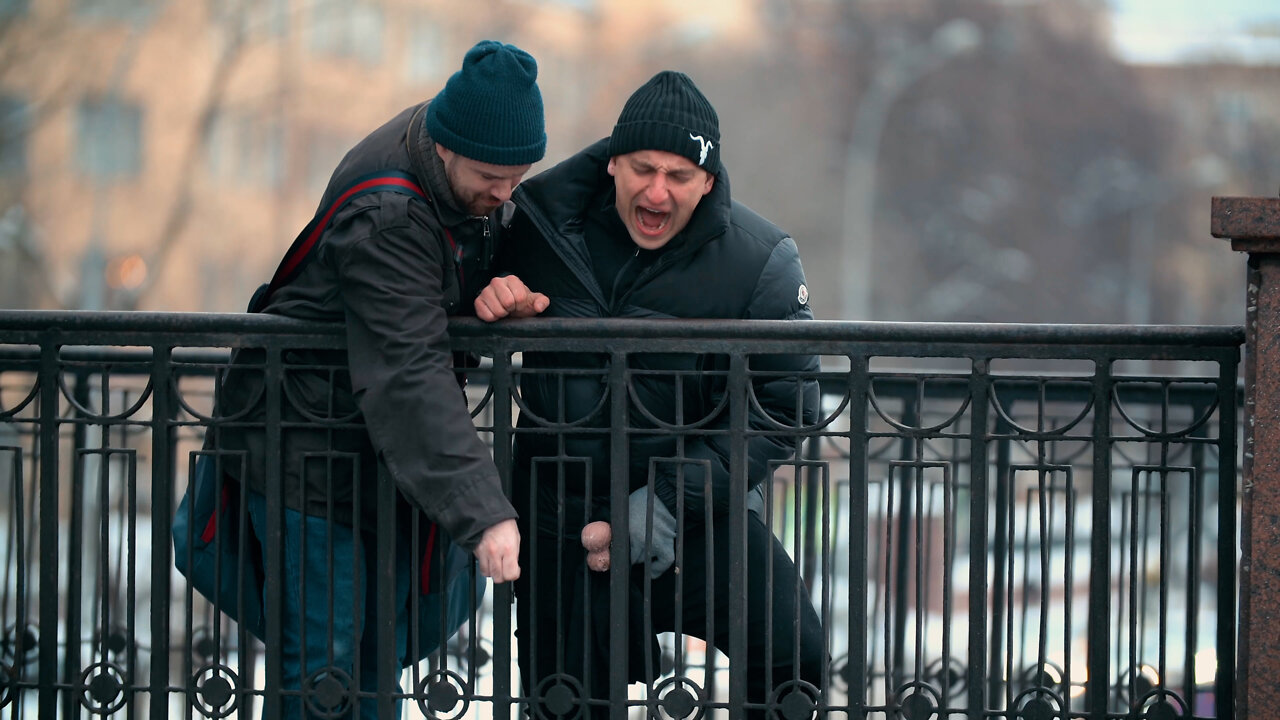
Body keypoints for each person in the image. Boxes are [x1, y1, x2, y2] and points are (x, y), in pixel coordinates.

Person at [206, 40, 546, 719]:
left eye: (519, 176)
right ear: (448, 149)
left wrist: (513, 290)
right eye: (491, 178)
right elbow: (409, 370)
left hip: (366, 453)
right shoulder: (389, 215)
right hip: (307, 453)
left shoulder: (446, 153)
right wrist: (484, 513)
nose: (505, 196)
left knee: (369, 668)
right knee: (325, 673)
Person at [476, 71, 826, 719]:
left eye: (679, 175)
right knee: (565, 703)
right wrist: (491, 300)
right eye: (642, 169)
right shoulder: (540, 220)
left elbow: (784, 407)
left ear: (710, 180)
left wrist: (663, 504)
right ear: (613, 161)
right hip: (563, 522)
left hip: (695, 515)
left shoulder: (760, 261)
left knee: (793, 655)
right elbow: (454, 292)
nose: (656, 191)